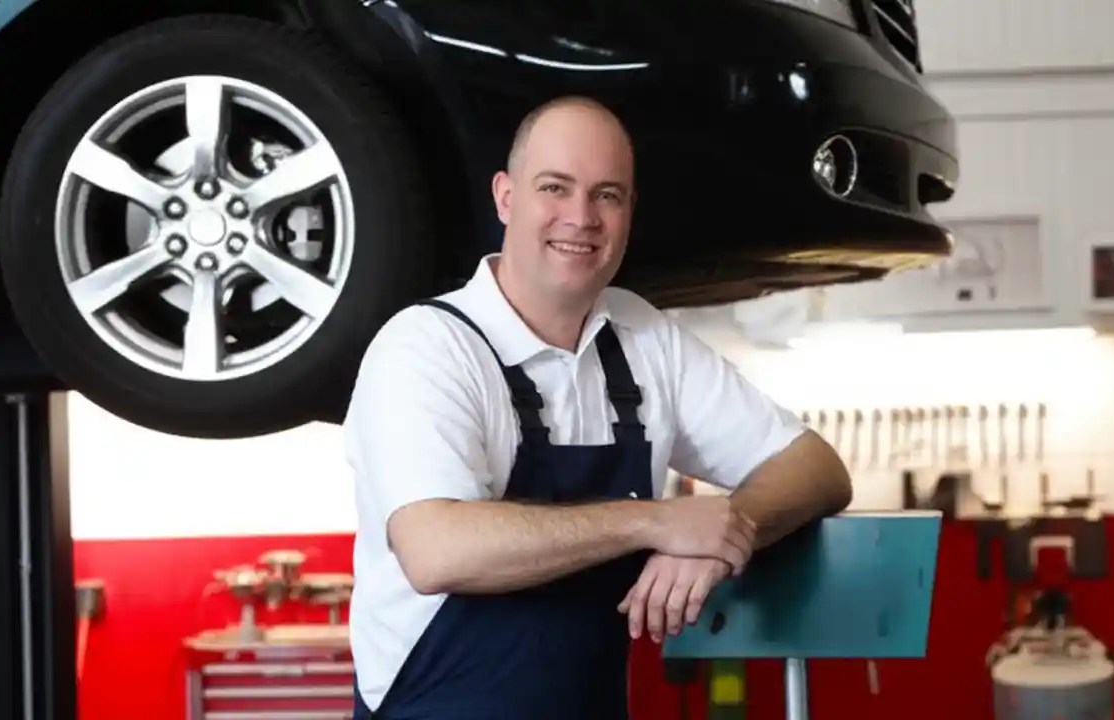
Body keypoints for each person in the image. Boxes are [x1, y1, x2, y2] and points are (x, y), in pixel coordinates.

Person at [343, 95, 852, 719]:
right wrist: (654, 523)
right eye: (555, 187)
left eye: (607, 195)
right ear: (505, 197)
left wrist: (724, 532)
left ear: (630, 211)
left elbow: (816, 466)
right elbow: (435, 550)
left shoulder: (644, 339)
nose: (580, 217)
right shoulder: (426, 346)